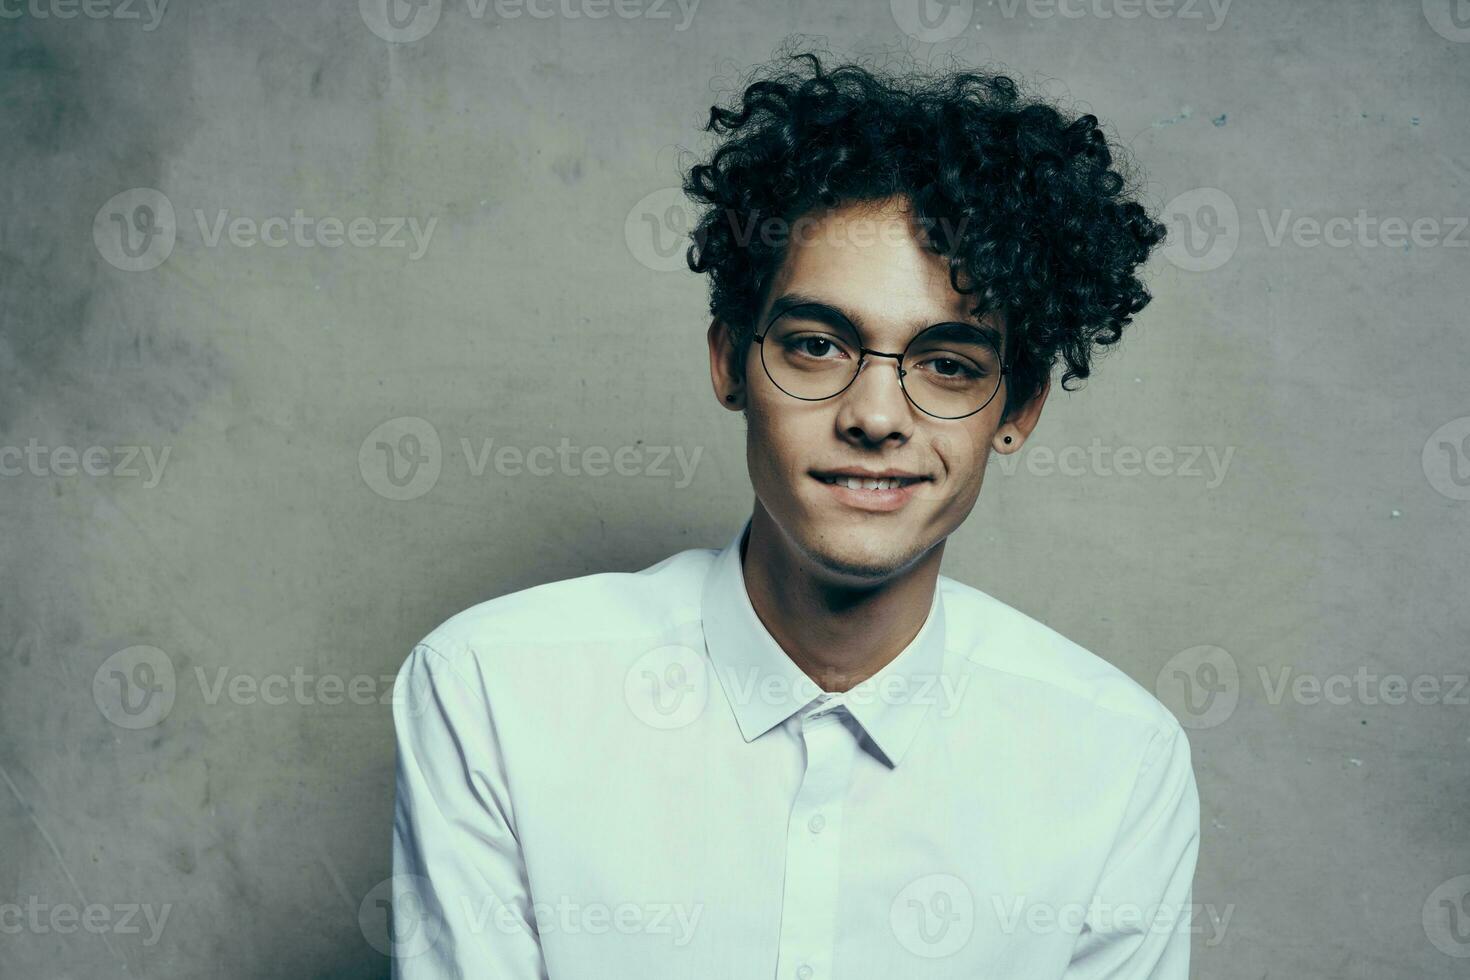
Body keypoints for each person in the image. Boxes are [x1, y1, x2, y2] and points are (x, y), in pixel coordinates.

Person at [389, 46, 1200, 979]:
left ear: (1015, 412)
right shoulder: (493, 692)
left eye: (949, 364)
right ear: (732, 362)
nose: (875, 417)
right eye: (818, 345)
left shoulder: (1117, 762)